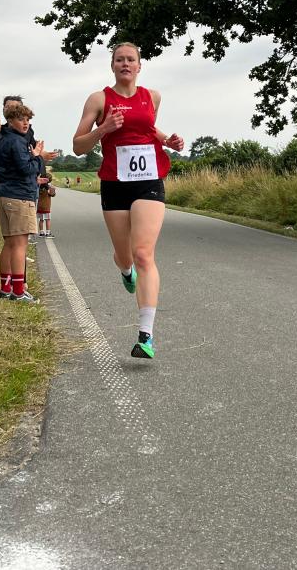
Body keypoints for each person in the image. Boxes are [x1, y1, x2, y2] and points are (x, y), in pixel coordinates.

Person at [72, 42, 184, 359]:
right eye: (119, 59)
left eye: (130, 59)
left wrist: (168, 140)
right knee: (125, 256)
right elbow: (78, 145)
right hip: (115, 182)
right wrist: (104, 128)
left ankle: (146, 336)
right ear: (112, 66)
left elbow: (148, 129)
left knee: (143, 253)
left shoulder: (152, 96)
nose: (125, 64)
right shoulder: (99, 99)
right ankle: (125, 269)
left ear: (139, 66)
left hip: (149, 179)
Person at [0, 101, 57, 303]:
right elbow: (26, 168)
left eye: (27, 119)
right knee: (20, 245)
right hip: (20, 196)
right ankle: (19, 291)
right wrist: (38, 157)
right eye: (21, 119)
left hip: (4, 194)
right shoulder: (18, 142)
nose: (26, 123)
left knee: (9, 244)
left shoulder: (3, 139)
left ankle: (6, 287)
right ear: (10, 120)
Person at [37, 172, 55, 237]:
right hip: (46, 206)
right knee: (48, 219)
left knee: (41, 220)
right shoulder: (49, 187)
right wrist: (53, 189)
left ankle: (41, 232)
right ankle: (48, 232)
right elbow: (52, 194)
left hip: (39, 206)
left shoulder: (39, 187)